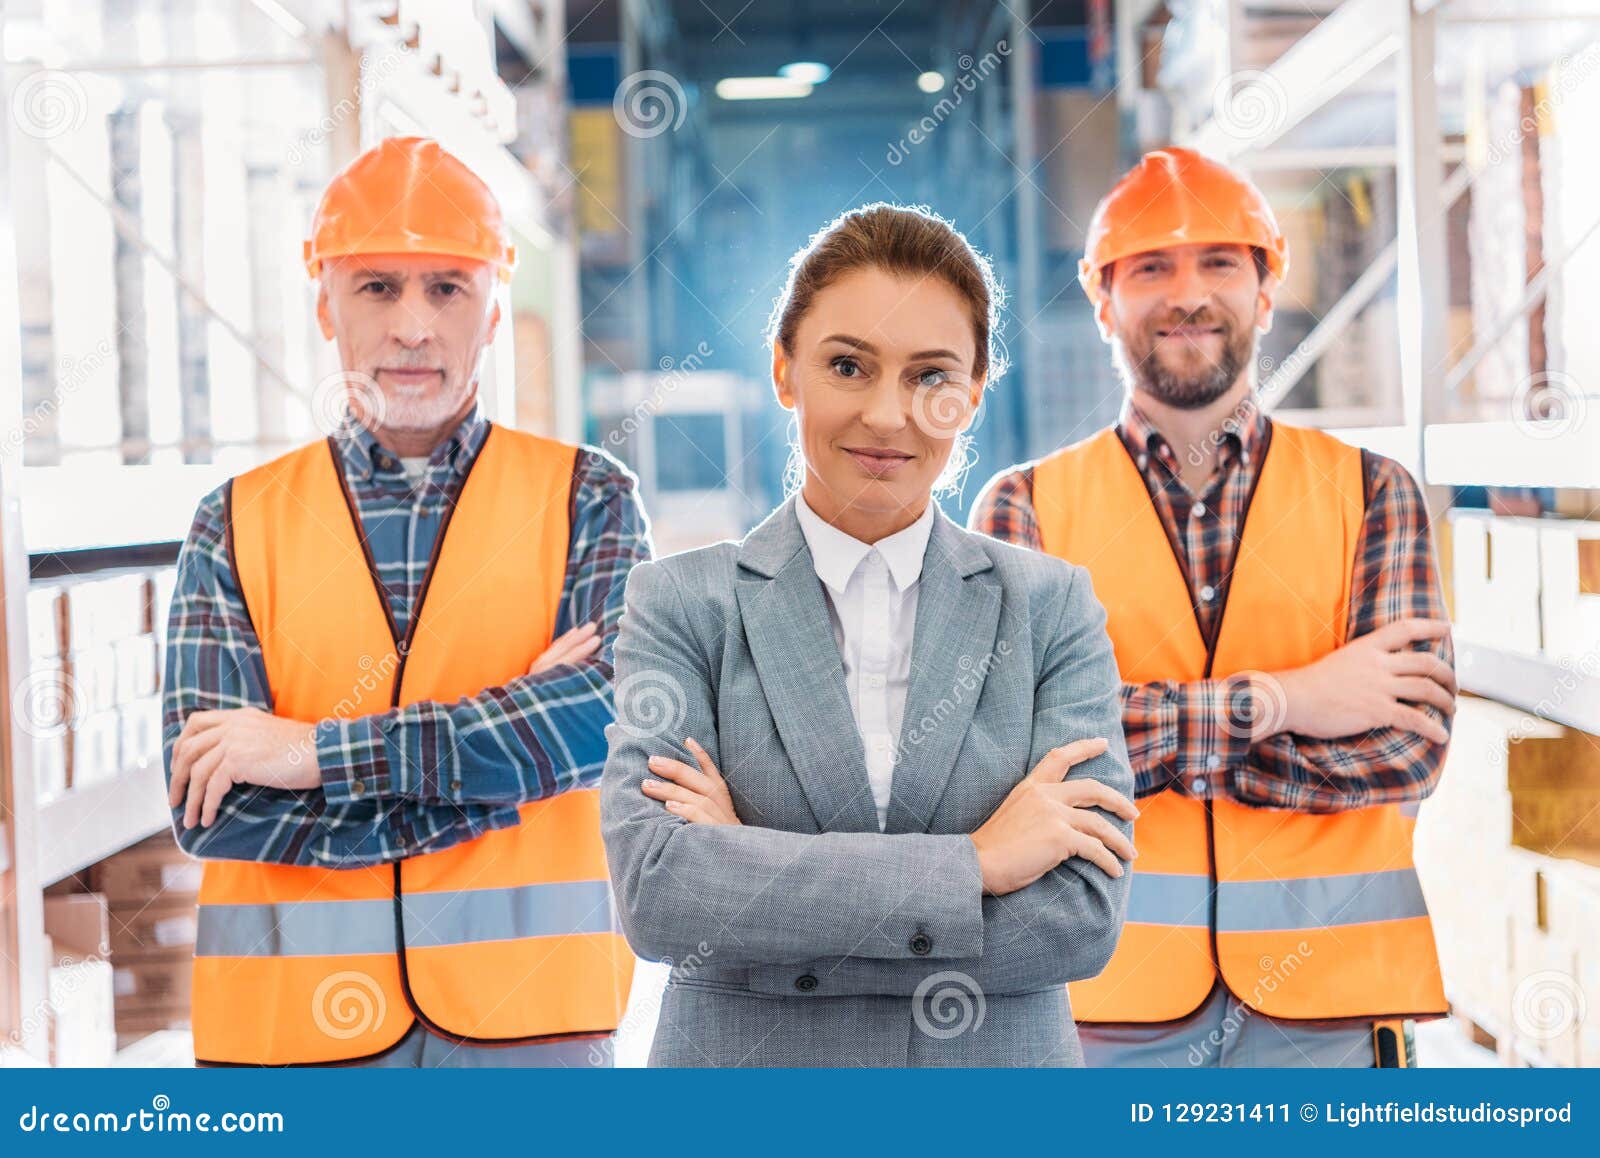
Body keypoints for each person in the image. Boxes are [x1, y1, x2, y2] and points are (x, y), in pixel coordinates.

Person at [600, 203, 1137, 1068]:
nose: (889, 416)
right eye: (849, 365)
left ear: (972, 393)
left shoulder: (1050, 608)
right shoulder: (682, 605)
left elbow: (1078, 922)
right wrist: (977, 865)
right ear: (785, 372)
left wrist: (755, 873)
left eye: (931, 375)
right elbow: (662, 898)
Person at [162, 137, 648, 1067]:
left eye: (447, 288)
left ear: (495, 306)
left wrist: (309, 751)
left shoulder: (590, 497)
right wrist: (508, 778)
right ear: (324, 303)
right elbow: (214, 810)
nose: (413, 326)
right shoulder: (234, 523)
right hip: (293, 1045)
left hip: (530, 1037)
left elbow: (608, 721)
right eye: (377, 287)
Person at [971, 147, 1455, 1068]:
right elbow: (1007, 754)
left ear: (1266, 290)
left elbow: (1407, 752)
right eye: (1151, 267)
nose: (1187, 294)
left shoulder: (1374, 493)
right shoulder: (1022, 507)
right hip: (1101, 1006)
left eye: (1220, 263)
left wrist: (1137, 745)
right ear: (1103, 297)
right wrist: (1291, 702)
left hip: (1328, 1017)